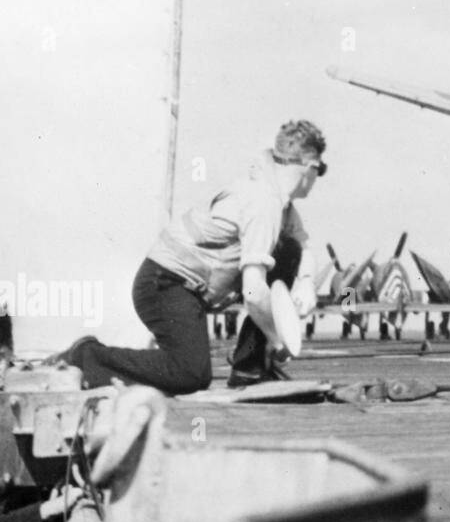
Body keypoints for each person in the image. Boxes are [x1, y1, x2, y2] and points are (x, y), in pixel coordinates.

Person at [52, 120, 327, 393]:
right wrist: (279, 341)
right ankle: (87, 355)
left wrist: (305, 282)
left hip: (185, 286)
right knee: (189, 374)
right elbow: (254, 291)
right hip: (164, 285)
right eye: (321, 170)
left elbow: (303, 246)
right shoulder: (263, 202)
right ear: (310, 167)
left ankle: (250, 369)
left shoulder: (279, 202)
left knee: (289, 249)